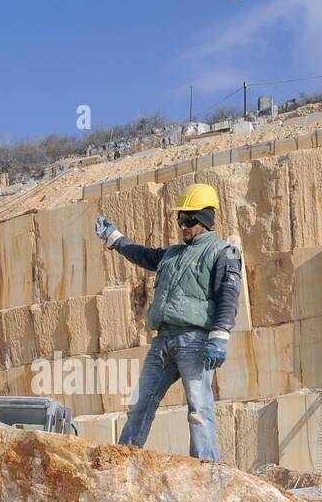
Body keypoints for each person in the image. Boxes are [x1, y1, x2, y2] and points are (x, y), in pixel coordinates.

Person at [94, 183, 242, 461]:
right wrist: (116, 239)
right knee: (139, 405)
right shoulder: (171, 254)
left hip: (195, 342)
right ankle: (124, 459)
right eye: (180, 220)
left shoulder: (223, 252)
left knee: (198, 409)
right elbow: (143, 254)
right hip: (163, 341)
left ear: (206, 220)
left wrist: (220, 335)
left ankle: (205, 468)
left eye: (188, 221)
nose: (182, 226)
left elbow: (228, 295)